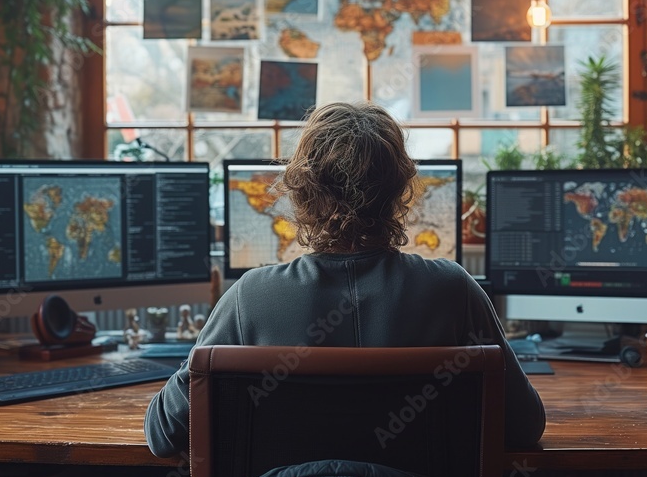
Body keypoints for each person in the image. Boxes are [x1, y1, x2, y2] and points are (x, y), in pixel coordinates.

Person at [144, 101, 545, 458]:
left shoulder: (250, 297)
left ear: (301, 190)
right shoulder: (453, 289)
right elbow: (524, 428)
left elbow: (165, 434)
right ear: (400, 190)